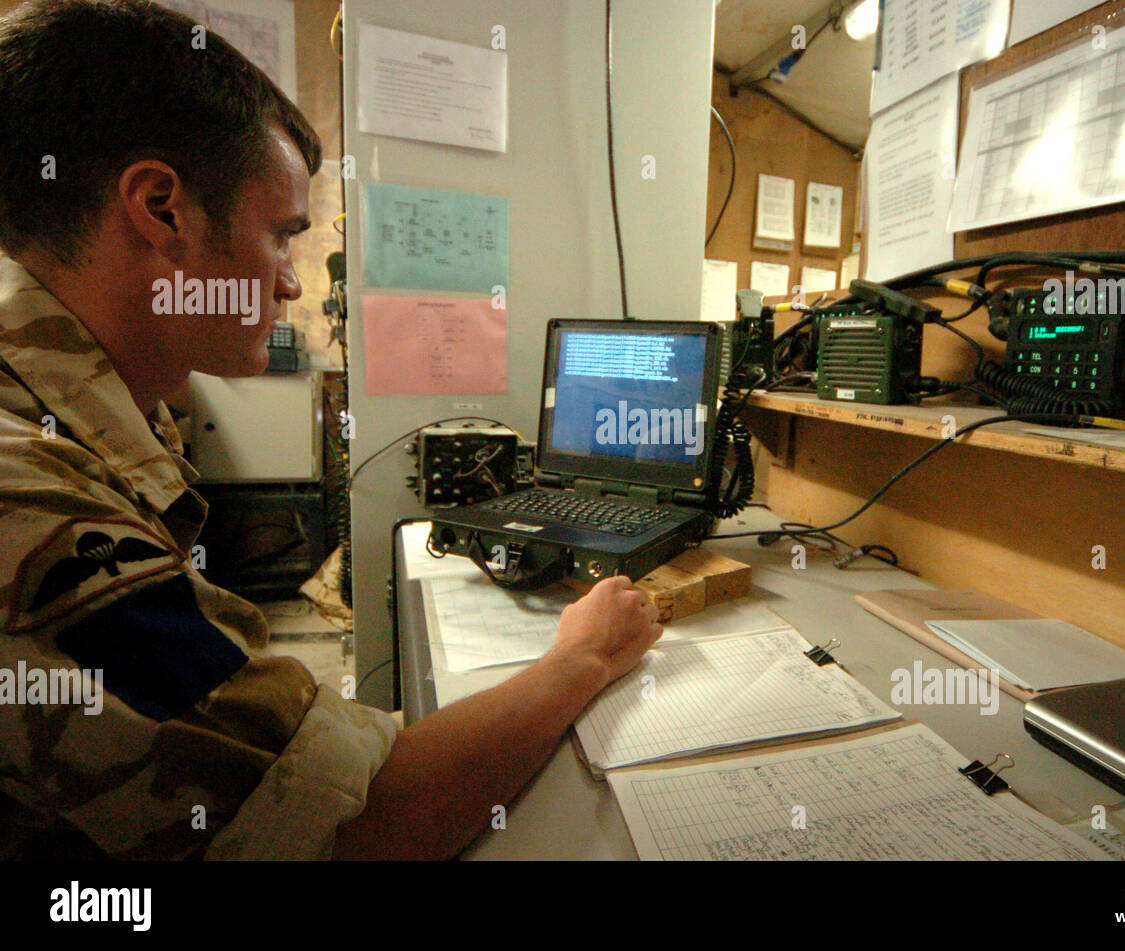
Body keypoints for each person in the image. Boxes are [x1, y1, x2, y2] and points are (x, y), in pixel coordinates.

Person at [0, 0, 661, 860]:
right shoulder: (31, 505)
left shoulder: (87, 412)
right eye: (282, 236)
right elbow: (357, 826)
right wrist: (581, 655)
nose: (289, 286)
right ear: (162, 210)